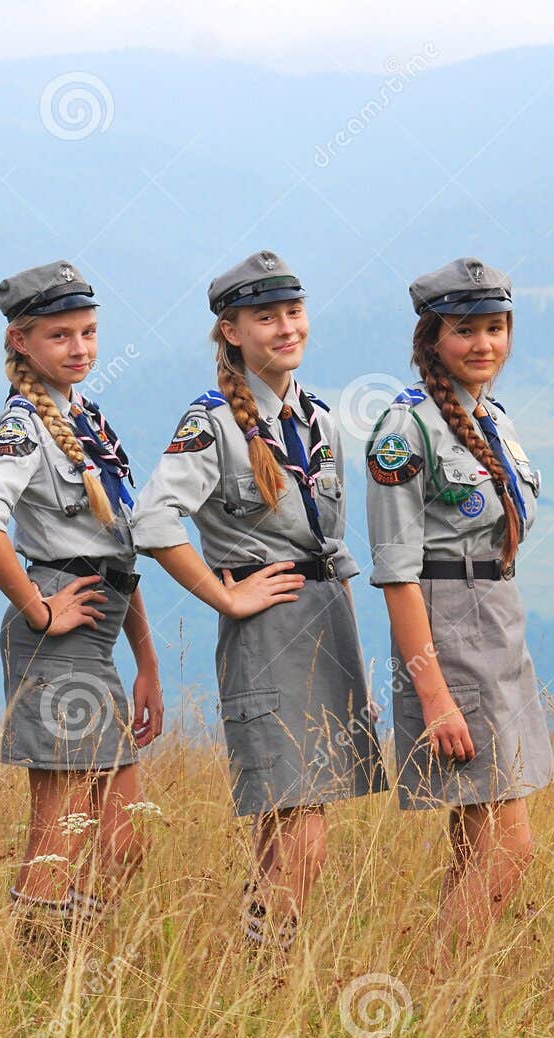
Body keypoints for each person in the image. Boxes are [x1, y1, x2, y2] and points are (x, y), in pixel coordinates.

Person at [130, 250, 386, 952]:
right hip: (267, 627)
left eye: (293, 312)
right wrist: (225, 595)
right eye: (264, 316)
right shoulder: (210, 421)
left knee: (296, 830)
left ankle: (257, 975)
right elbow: (151, 518)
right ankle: (266, 973)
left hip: (325, 621)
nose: (284, 327)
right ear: (231, 330)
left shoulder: (321, 419)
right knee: (299, 832)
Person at [0, 260, 161, 945]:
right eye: (60, 336)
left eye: (88, 331)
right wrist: (40, 609)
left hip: (101, 634)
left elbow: (117, 548)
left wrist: (148, 661)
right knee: (61, 829)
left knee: (125, 838)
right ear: (21, 341)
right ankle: (30, 972)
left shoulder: (87, 419)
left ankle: (73, 961)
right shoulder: (22, 425)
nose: (80, 348)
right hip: (58, 636)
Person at [365, 257, 554, 949]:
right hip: (451, 632)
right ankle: (438, 985)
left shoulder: (491, 419)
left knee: (478, 849)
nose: (484, 344)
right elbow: (396, 573)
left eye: (496, 327)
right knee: (511, 850)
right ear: (432, 339)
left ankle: (448, 999)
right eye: (465, 330)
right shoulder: (403, 428)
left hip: (500, 625)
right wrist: (435, 695)